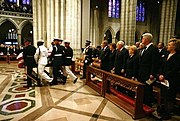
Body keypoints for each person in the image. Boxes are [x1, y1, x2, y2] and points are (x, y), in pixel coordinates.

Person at [158, 39, 180, 120]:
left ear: (174, 47)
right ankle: (163, 110)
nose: (168, 46)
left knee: (170, 97)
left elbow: (175, 69)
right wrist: (160, 74)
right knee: (164, 95)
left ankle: (168, 113)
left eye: (170, 45)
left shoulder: (178, 56)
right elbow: (161, 65)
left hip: (172, 80)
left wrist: (165, 76)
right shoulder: (166, 54)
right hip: (163, 79)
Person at [138, 33, 160, 107]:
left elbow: (155, 62)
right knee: (142, 90)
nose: (142, 40)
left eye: (143, 38)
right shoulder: (144, 48)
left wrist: (152, 74)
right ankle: (142, 104)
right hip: (142, 72)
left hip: (148, 74)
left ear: (147, 39)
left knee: (147, 90)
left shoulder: (153, 49)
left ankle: (147, 105)